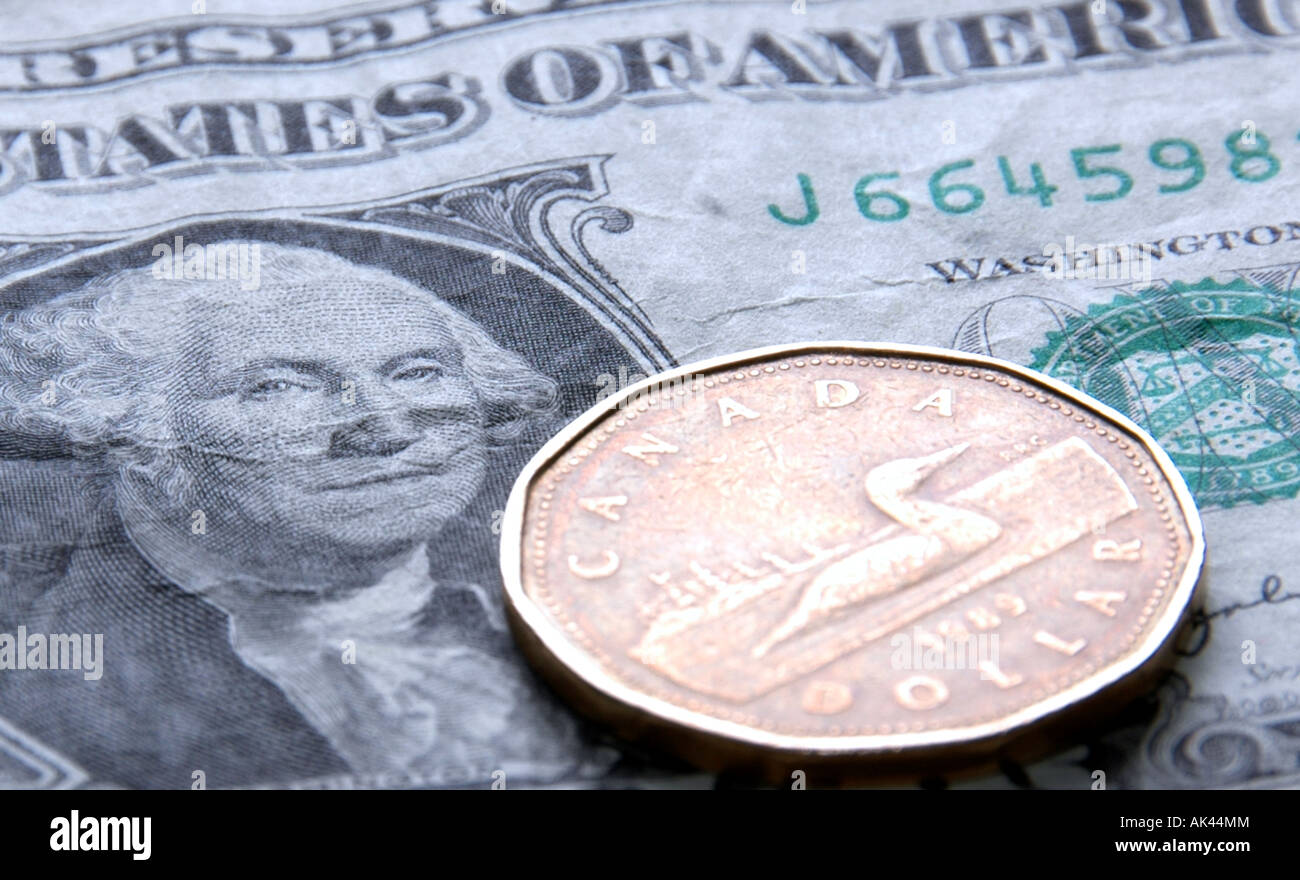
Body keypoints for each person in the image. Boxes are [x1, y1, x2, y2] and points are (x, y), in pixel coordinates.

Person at [0, 242, 602, 788]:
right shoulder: (49, 665)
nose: (388, 428)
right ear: (136, 435)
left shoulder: (589, 562)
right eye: (279, 387)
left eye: (418, 373)